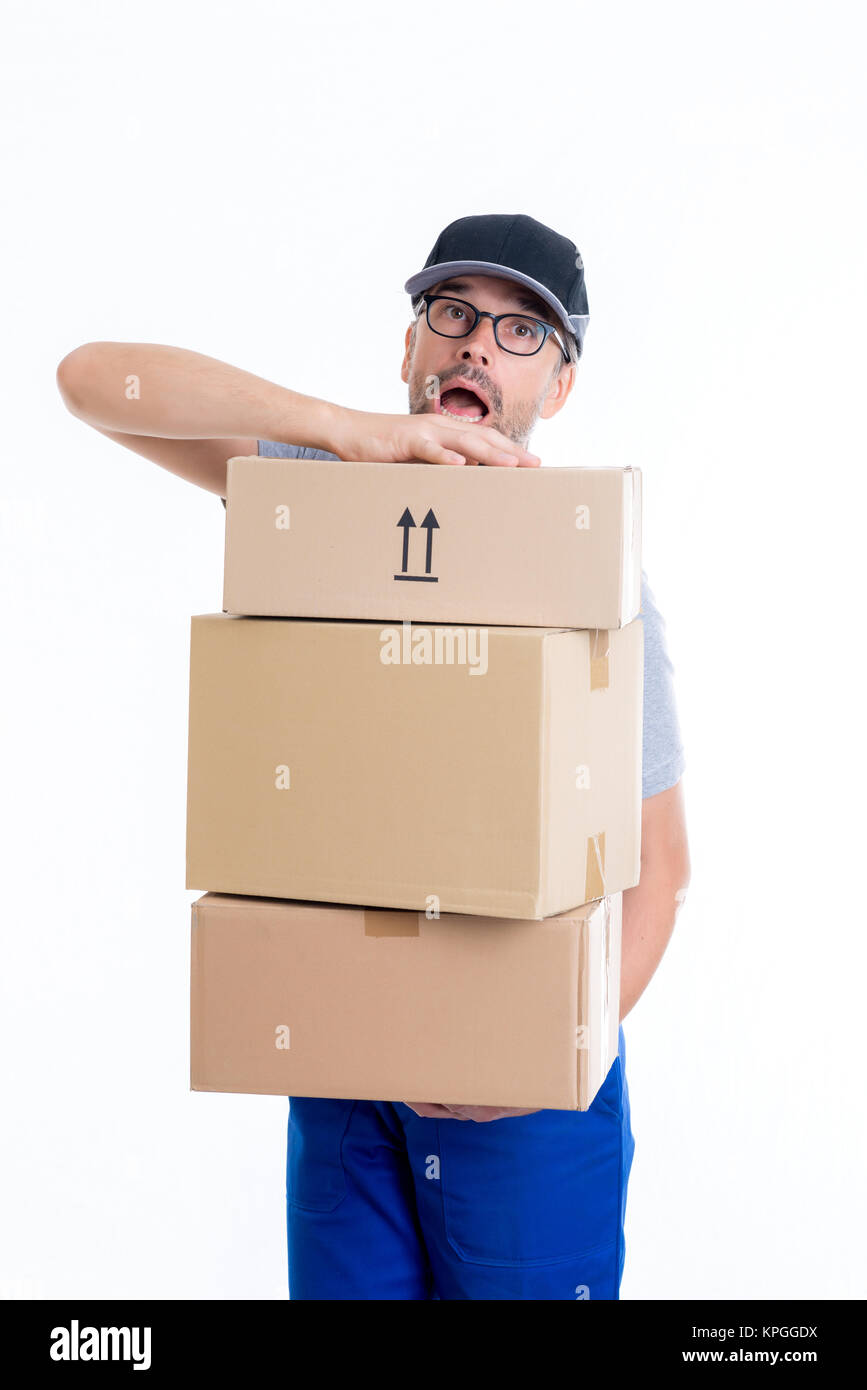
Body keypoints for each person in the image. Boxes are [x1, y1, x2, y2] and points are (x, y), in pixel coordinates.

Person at [57, 212, 691, 1300]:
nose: (476, 345)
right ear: (410, 348)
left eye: (521, 329)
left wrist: (540, 1056)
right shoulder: (320, 500)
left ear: (563, 383)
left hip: (524, 1093)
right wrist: (342, 433)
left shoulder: (593, 573)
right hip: (348, 1062)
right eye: (452, 314)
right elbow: (91, 381)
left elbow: (661, 868)